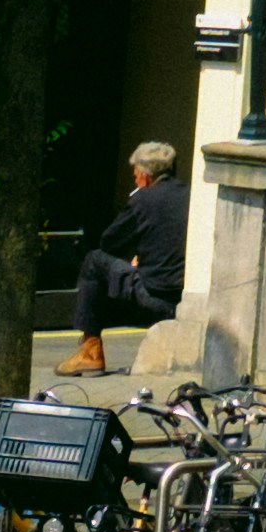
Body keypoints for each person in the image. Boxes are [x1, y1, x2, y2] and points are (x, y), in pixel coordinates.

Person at [65, 143, 185, 375]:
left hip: (154, 295)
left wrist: (135, 256)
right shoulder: (191, 195)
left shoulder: (143, 199)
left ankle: (90, 350)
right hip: (182, 295)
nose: (135, 181)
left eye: (135, 176)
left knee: (94, 261)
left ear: (144, 175)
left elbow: (109, 242)